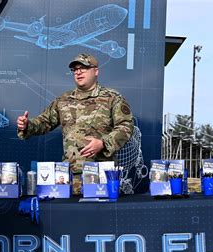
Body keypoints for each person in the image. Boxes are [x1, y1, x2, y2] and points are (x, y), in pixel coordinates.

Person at [16, 53, 134, 193]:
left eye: (83, 68)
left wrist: (103, 143)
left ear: (96, 71)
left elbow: (126, 126)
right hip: (70, 179)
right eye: (75, 69)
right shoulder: (63, 100)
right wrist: (27, 125)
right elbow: (44, 122)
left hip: (101, 177)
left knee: (101, 214)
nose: (78, 72)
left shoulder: (112, 98)